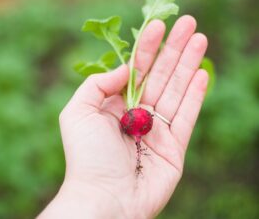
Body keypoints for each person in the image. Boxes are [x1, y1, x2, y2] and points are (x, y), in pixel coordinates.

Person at [38, 15, 209, 219]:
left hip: (135, 119)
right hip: (135, 119)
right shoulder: (135, 119)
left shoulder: (136, 119)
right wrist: (100, 188)